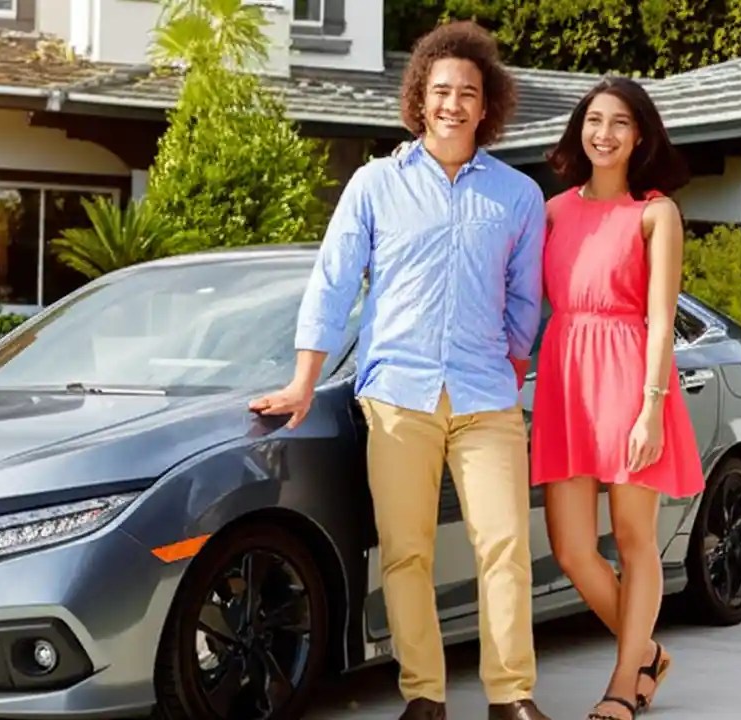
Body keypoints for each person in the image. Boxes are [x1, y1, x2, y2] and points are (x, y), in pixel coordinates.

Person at [250, 21, 551, 720]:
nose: (453, 104)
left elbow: (523, 297)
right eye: (441, 90)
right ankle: (425, 695)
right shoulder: (374, 184)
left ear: (487, 105)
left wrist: (509, 362)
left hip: (485, 398)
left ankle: (511, 696)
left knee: (505, 546)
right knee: (406, 553)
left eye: (468, 93)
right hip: (397, 397)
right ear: (419, 98)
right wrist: (303, 379)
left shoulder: (517, 197)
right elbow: (333, 282)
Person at [529, 76, 705, 720]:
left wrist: (652, 408)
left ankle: (621, 687)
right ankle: (648, 656)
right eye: (594, 120)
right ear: (580, 129)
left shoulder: (656, 213)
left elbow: (662, 320)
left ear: (640, 136)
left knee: (635, 539)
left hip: (631, 380)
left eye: (620, 123)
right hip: (566, 381)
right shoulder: (551, 211)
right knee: (574, 549)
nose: (604, 133)